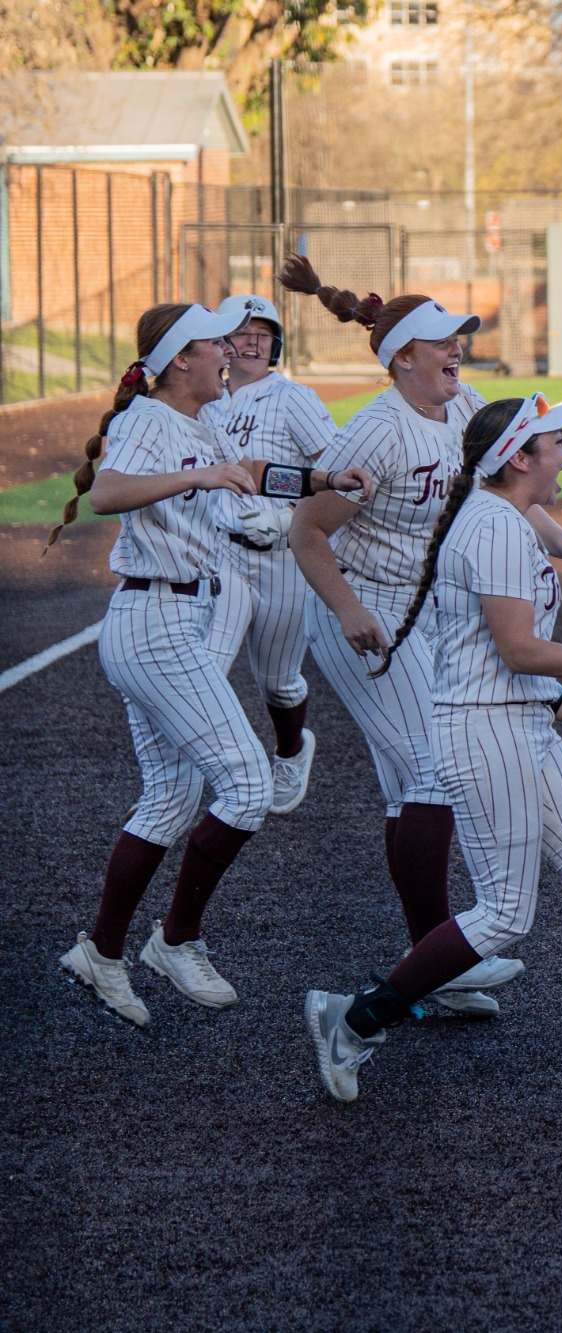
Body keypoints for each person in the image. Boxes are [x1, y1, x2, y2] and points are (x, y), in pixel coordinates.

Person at [304, 396, 562, 1100]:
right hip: (484, 731)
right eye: (558, 442)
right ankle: (353, 1017)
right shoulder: (494, 528)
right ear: (520, 458)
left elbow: (504, 663)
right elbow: (517, 650)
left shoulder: (504, 521)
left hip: (516, 720)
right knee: (503, 912)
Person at [279, 253, 562, 1017]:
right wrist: (344, 611)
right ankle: (435, 958)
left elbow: (503, 489)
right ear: (401, 357)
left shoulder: (464, 410)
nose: (457, 348)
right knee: (434, 771)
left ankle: (428, 960)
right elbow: (306, 533)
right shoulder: (374, 433)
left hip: (424, 607)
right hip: (364, 617)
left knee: (416, 780)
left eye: (458, 336)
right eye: (442, 340)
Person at [47, 302, 373, 1026]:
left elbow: (249, 472)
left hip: (176, 622)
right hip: (154, 619)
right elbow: (106, 493)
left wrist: (322, 477)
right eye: (212, 343)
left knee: (168, 798)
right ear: (177, 361)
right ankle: (176, 938)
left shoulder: (204, 419)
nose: (229, 350)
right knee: (250, 785)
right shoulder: (147, 420)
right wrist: (195, 479)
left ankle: (100, 953)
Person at [199, 293, 340, 815]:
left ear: (275, 342)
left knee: (278, 683)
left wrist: (288, 519)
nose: (253, 341)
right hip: (222, 558)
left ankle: (290, 749)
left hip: (284, 559)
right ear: (220, 343)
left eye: (263, 332)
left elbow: (341, 475)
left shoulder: (294, 399)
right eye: (241, 331)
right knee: (207, 666)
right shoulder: (206, 402)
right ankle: (200, 776)